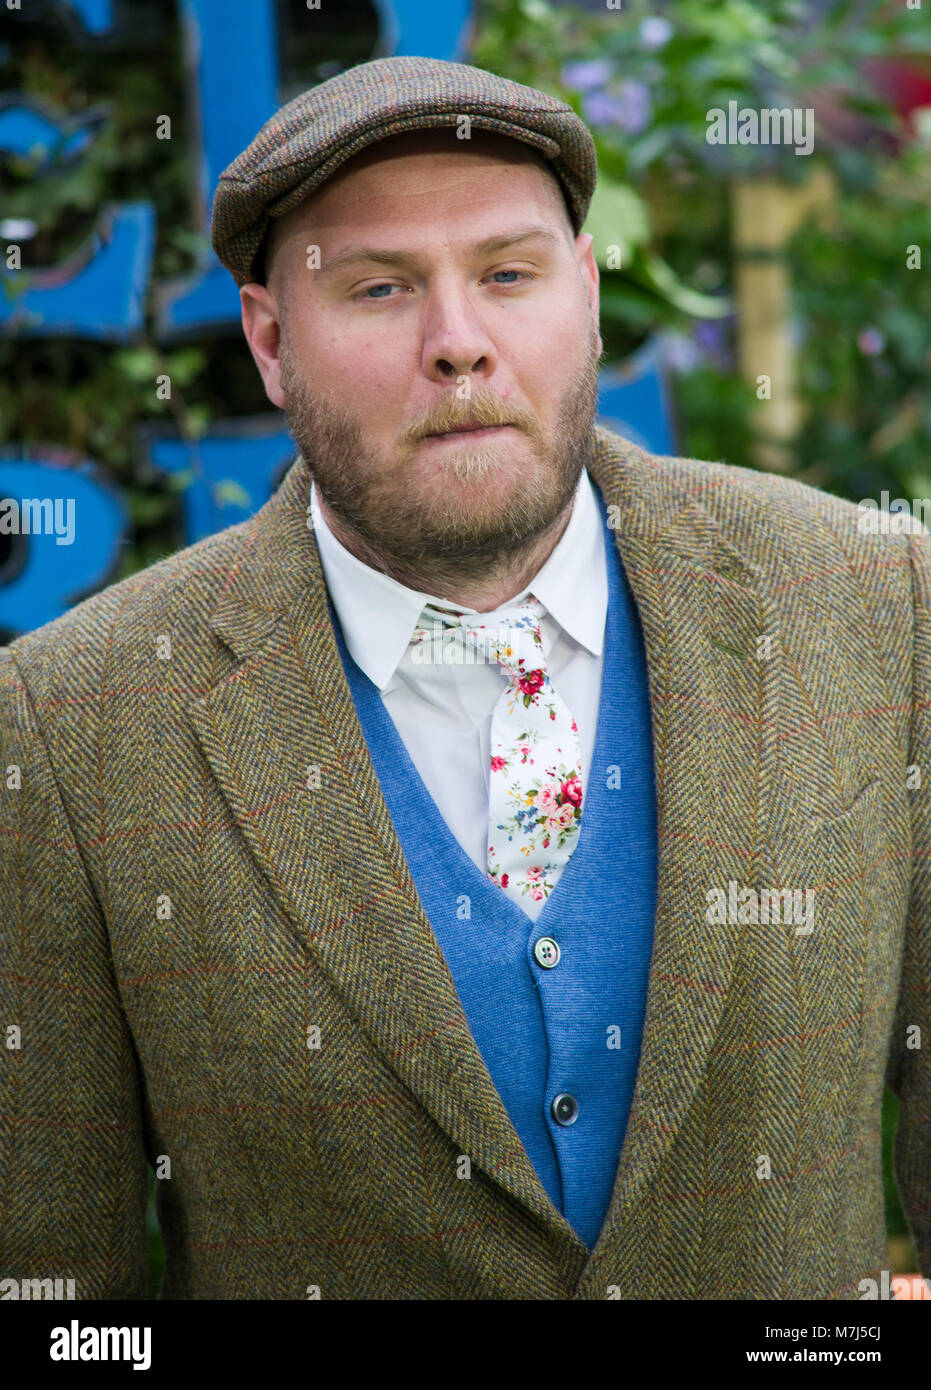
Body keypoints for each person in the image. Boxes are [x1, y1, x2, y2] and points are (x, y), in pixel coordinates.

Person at [0, 55, 927, 1301]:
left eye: (508, 274)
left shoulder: (875, 600)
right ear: (271, 341)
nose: (460, 345)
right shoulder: (71, 725)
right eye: (380, 288)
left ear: (587, 295)